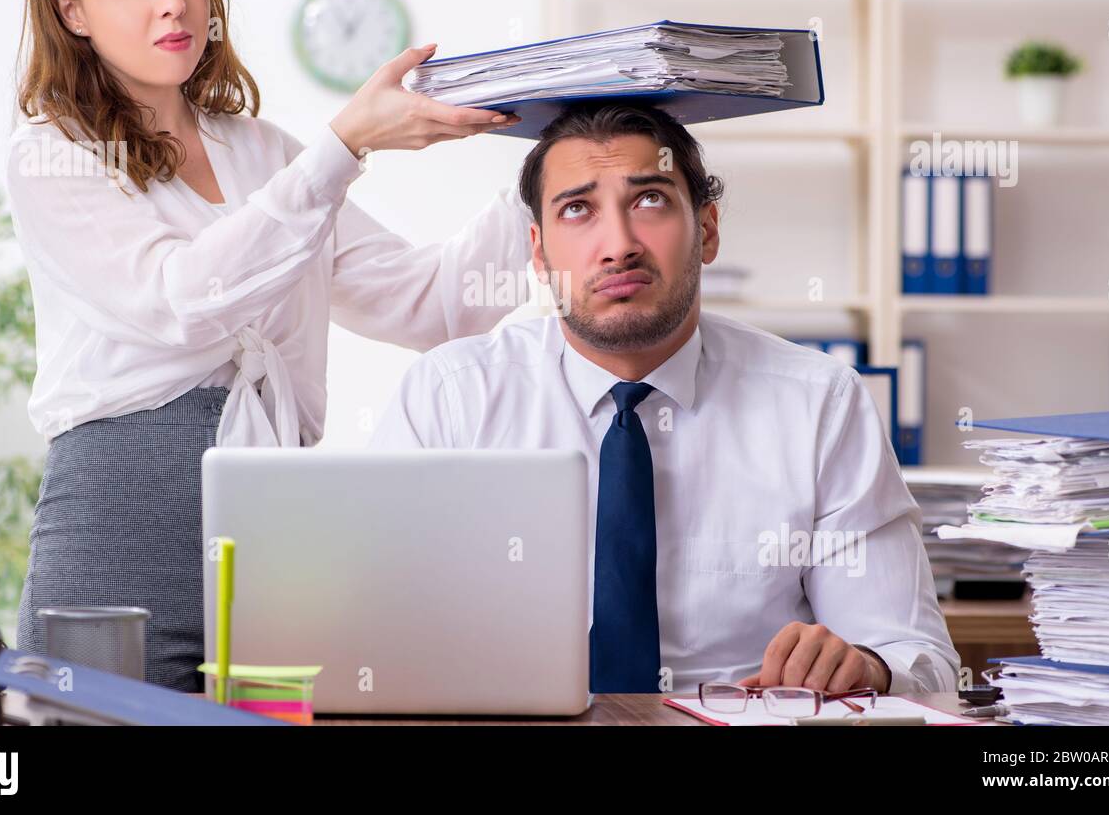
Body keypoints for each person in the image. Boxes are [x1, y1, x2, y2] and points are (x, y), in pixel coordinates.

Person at [7, 0, 531, 691]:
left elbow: (433, 305)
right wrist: (343, 146)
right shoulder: (53, 154)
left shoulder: (265, 154)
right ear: (71, 9)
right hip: (118, 534)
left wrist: (548, 172)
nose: (171, 1)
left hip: (274, 534)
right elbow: (181, 303)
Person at [371, 102, 960, 695]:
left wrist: (866, 667)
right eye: (577, 210)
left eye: (649, 200)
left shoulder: (819, 404)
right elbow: (371, 635)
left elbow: (921, 659)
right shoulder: (450, 397)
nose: (618, 245)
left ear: (707, 230)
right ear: (540, 255)